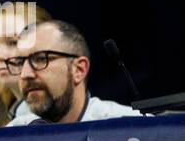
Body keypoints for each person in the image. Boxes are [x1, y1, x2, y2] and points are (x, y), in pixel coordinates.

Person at [7, 20, 141, 126]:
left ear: (79, 69)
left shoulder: (131, 128)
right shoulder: (11, 136)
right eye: (19, 63)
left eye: (41, 59)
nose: (25, 74)